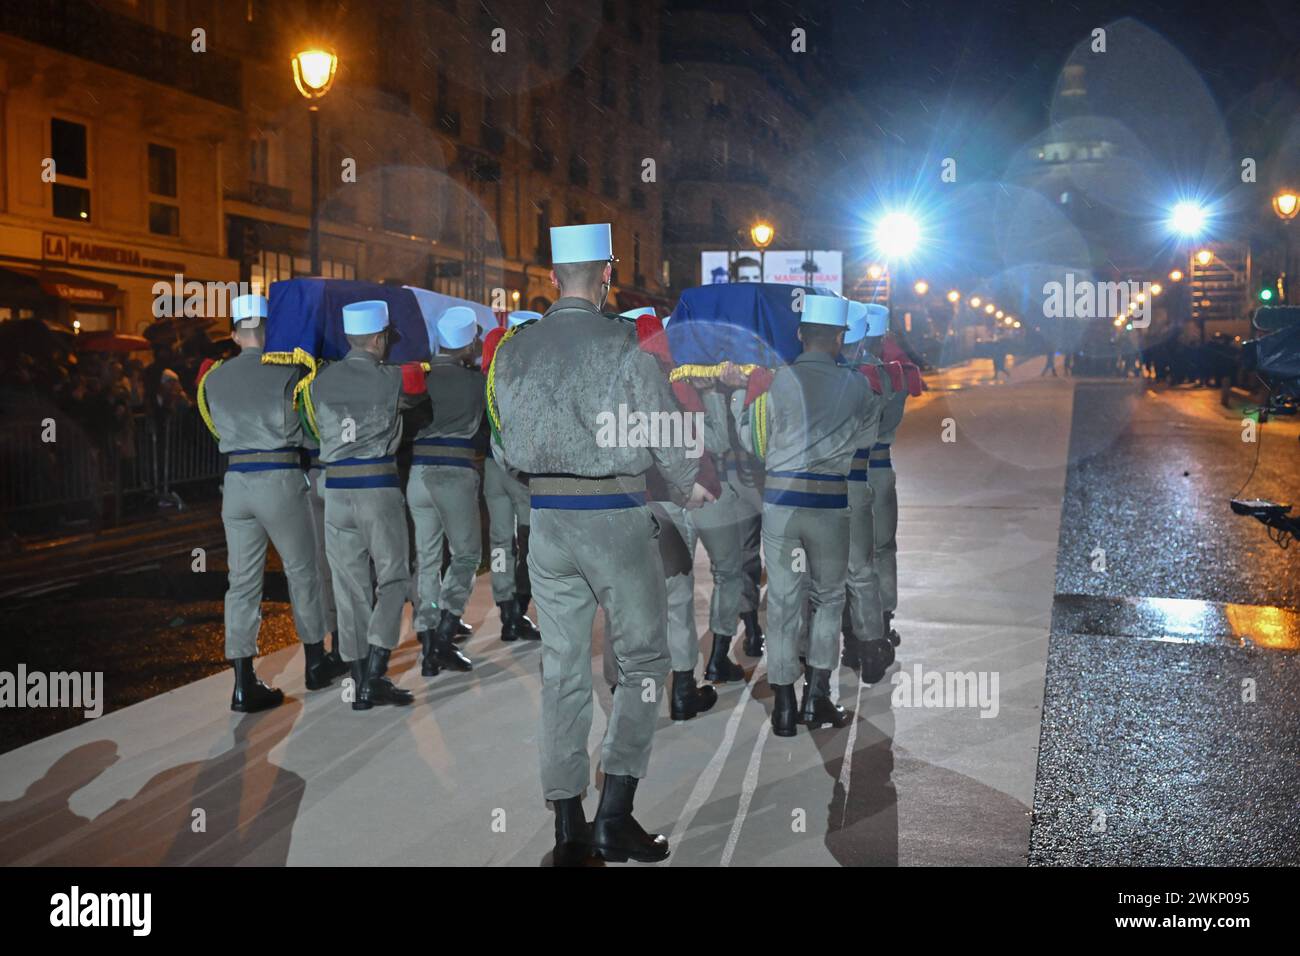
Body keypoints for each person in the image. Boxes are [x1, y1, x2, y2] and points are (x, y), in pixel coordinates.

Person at [488, 222, 709, 865]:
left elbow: (502, 446)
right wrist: (681, 486)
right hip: (613, 512)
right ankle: (615, 815)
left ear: (552, 278)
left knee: (561, 669)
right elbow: (671, 446)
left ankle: (567, 832)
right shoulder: (626, 347)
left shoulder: (514, 349)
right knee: (641, 663)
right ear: (607, 275)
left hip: (548, 520)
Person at [728, 294, 878, 736]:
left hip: (781, 502)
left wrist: (742, 399)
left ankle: (784, 708)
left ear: (799, 335)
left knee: (782, 600)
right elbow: (865, 442)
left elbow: (752, 442)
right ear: (839, 338)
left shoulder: (776, 381)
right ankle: (818, 696)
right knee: (828, 600)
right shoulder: (858, 386)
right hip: (830, 505)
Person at [197, 293, 344, 712]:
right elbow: (311, 427)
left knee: (241, 583)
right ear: (269, 329)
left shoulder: (213, 377)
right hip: (278, 477)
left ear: (232, 333)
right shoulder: (290, 369)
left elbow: (212, 425)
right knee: (303, 572)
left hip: (237, 483)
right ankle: (316, 662)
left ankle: (243, 681)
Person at [309, 300, 428, 710]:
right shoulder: (392, 379)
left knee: (349, 587)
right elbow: (416, 397)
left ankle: (358, 678)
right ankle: (375, 673)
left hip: (335, 490)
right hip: (377, 487)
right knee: (394, 577)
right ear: (379, 339)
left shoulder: (319, 381)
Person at [406, 306, 480, 676]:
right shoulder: (475, 382)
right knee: (465, 555)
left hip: (418, 474)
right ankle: (443, 638)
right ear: (466, 345)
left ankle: (425, 631)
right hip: (454, 471)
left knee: (427, 558)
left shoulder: (423, 377)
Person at [481, 310, 542, 642]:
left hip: (493, 467)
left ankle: (505, 608)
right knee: (530, 540)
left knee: (500, 545)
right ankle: (518, 608)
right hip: (520, 470)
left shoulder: (491, 370)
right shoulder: (526, 374)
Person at [838, 302, 891, 682]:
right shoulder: (880, 377)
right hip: (866, 475)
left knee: (824, 577)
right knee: (867, 564)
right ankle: (873, 638)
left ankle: (846, 644)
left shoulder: (803, 376)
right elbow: (879, 431)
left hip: (820, 485)